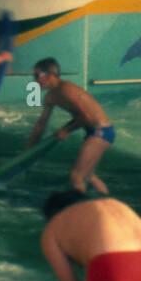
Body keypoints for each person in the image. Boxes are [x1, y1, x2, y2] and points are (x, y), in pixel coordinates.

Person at [27, 58, 115, 194]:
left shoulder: (66, 90)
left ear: (49, 75)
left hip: (101, 131)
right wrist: (29, 150)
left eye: (37, 76)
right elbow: (41, 124)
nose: (34, 80)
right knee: (88, 176)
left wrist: (66, 130)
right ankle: (110, 204)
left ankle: (81, 211)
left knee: (76, 176)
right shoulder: (50, 97)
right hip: (95, 131)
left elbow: (87, 117)